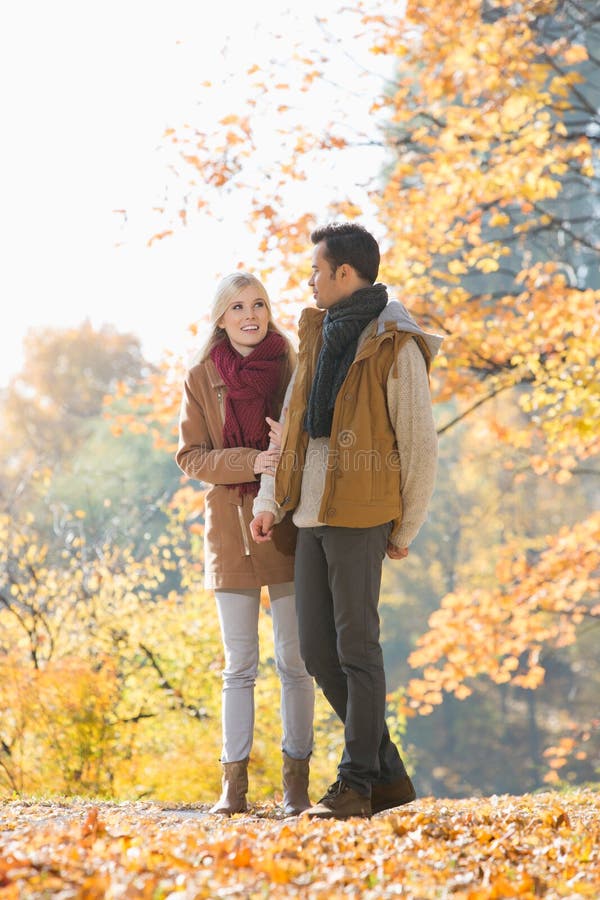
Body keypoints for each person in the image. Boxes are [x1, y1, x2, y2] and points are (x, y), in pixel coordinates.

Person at [250, 223, 442, 819]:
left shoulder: (394, 343)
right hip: (309, 514)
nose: (308, 279)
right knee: (315, 648)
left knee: (358, 647)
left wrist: (404, 528)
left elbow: (418, 442)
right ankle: (385, 776)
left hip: (361, 514)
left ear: (344, 273)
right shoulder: (317, 335)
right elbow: (291, 423)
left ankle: (356, 783)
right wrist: (270, 500)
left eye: (316, 269)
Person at [176, 272, 315, 817]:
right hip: (228, 530)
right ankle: (232, 789)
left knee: (295, 662)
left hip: (285, 523)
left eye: (258, 304)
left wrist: (277, 462)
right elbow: (190, 457)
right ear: (221, 317)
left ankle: (296, 787)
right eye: (238, 307)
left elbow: (309, 438)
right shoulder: (200, 377)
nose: (251, 314)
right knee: (239, 664)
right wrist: (246, 461)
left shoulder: (293, 366)